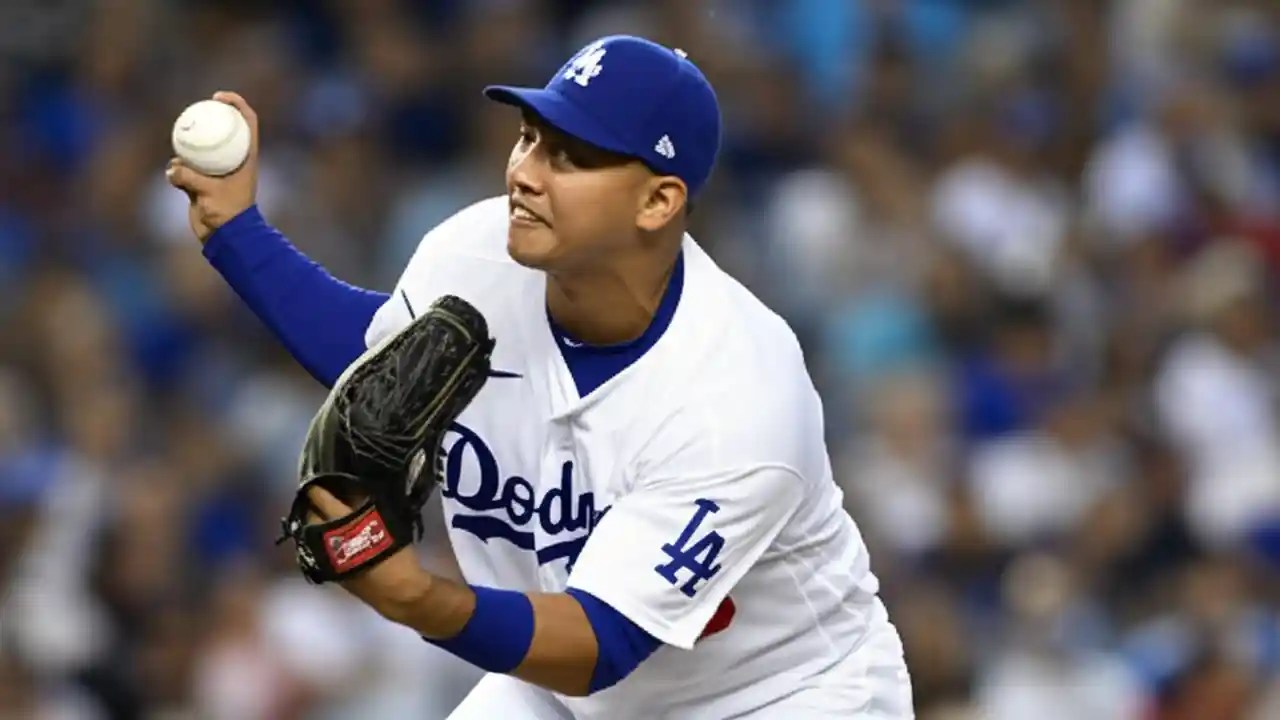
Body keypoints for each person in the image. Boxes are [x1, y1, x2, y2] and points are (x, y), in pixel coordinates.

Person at [166, 34, 913, 719]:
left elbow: (600, 644)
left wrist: (415, 597)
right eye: (529, 137)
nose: (523, 173)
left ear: (659, 201)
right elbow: (374, 362)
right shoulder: (476, 254)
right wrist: (236, 233)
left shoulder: (737, 396)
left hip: (782, 694)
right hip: (566, 691)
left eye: (570, 156)